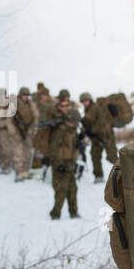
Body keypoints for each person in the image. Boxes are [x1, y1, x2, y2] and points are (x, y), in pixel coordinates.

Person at [46, 89, 81, 219]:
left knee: (73, 189)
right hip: (60, 164)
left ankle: (73, 212)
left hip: (70, 163)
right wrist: (58, 163)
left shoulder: (72, 130)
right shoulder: (60, 130)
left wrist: (79, 145)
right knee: (61, 190)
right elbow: (54, 148)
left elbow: (72, 146)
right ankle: (55, 213)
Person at [80, 92, 117, 183]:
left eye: (86, 100)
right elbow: (88, 124)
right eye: (83, 101)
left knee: (112, 157)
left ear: (90, 100)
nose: (85, 102)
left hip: (106, 136)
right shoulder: (87, 110)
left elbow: (102, 123)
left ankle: (125, 174)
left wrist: (91, 131)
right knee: (95, 156)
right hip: (96, 138)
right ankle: (98, 176)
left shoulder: (97, 108)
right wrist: (84, 132)